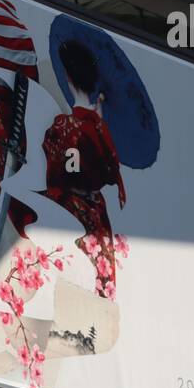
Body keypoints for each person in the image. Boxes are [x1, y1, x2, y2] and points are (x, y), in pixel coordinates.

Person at [39, 39, 127, 298]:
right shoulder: (100, 128)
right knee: (98, 283)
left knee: (69, 288)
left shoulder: (68, 126)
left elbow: (62, 173)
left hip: (71, 210)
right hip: (97, 213)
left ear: (68, 77)